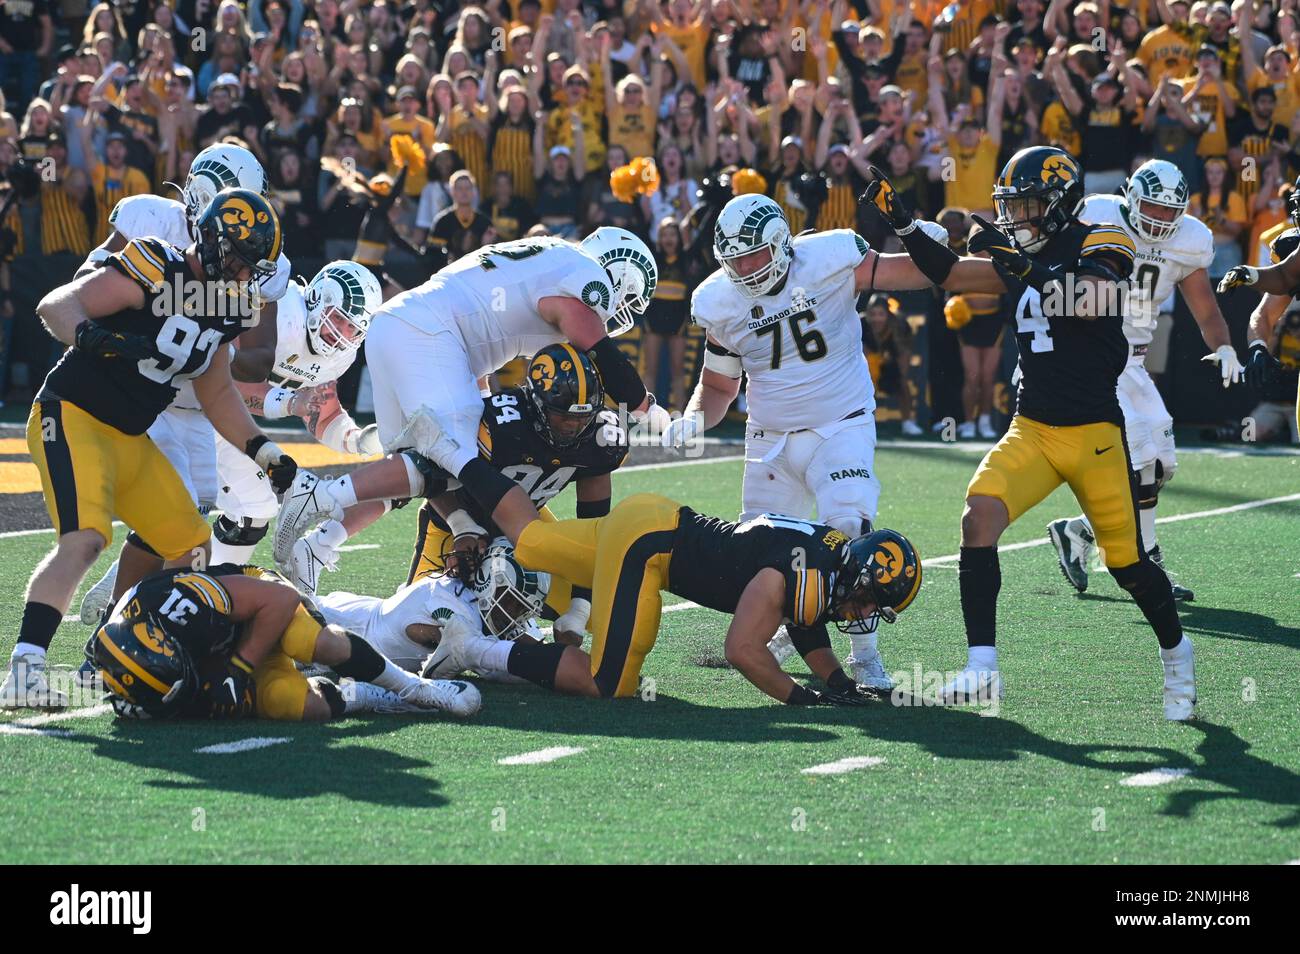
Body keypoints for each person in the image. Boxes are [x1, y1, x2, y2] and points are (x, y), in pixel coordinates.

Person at [867, 146, 1199, 721]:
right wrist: (904, 224)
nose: (1014, 217)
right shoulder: (1018, 254)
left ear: (1059, 202)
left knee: (1129, 566)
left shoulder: (1104, 239)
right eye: (1009, 207)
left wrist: (1020, 266)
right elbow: (947, 274)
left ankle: (1177, 655)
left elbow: (1090, 300)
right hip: (1033, 427)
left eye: (1025, 206)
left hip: (1093, 431)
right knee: (979, 518)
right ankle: (981, 668)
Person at [1, 189, 300, 709]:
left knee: (189, 544)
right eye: (236, 259)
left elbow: (217, 390)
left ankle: (105, 652)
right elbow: (56, 305)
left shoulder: (226, 306)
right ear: (209, 238)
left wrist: (262, 450)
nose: (240, 275)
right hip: (72, 415)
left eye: (249, 268)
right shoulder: (154, 263)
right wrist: (92, 338)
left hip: (129, 435)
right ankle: (24, 669)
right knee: (87, 539)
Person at [665, 192, 946, 690]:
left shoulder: (828, 259)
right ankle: (787, 630)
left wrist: (923, 242)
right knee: (759, 557)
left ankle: (864, 655)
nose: (746, 269)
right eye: (734, 259)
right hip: (769, 438)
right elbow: (718, 388)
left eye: (753, 254)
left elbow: (921, 274)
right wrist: (691, 420)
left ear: (780, 245)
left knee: (847, 532)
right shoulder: (719, 300)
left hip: (840, 423)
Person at [272, 229, 668, 571]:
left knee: (416, 470)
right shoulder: (582, 278)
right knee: (455, 455)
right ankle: (321, 494)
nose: (618, 316)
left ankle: (320, 546)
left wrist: (482, 401)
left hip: (403, 326)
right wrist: (645, 406)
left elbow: (476, 325)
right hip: (428, 335)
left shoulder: (548, 256)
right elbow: (602, 353)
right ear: (618, 278)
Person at [75, 143, 292, 625]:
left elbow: (259, 358)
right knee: (173, 513)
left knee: (192, 524)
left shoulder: (258, 259)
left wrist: (206, 347)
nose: (246, 228)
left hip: (200, 402)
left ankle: (132, 604)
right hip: (143, 388)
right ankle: (121, 620)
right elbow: (84, 287)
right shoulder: (149, 221)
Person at [1048, 159, 1243, 602]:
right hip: (1090, 355)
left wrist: (1226, 346)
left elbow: (1206, 310)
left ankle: (1078, 530)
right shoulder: (1096, 213)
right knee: (1138, 458)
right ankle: (1147, 563)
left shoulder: (1191, 240)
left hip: (1132, 363)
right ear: (1132, 199)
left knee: (1160, 466)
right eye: (1152, 209)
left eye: (1169, 212)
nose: (1160, 219)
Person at [91, 564, 481, 721]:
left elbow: (279, 601)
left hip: (261, 606)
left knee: (304, 639)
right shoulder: (128, 676)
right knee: (286, 703)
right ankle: (361, 695)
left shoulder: (180, 602)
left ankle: (417, 688)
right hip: (220, 649)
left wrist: (239, 667)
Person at [210, 261, 384, 567]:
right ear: (318, 299)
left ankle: (211, 584)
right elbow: (225, 384)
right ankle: (130, 585)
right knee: (185, 506)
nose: (342, 334)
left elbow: (323, 414)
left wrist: (360, 441)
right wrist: (290, 402)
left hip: (231, 427)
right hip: (193, 410)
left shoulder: (342, 356)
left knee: (257, 507)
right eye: (339, 320)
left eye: (353, 328)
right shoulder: (280, 311)